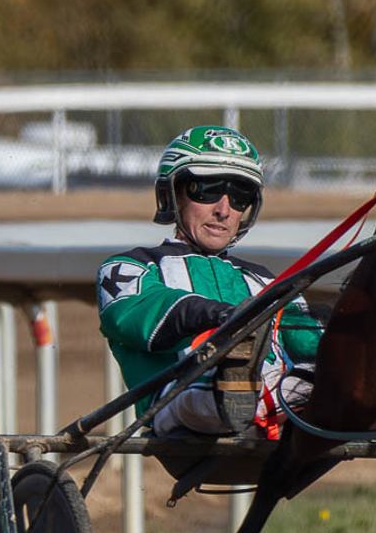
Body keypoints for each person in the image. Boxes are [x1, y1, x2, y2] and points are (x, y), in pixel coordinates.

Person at [97, 125, 319, 436]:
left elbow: (313, 344)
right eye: (208, 190)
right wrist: (223, 317)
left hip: (284, 401)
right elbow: (131, 317)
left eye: (240, 197)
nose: (224, 210)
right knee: (212, 378)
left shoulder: (265, 280)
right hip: (180, 402)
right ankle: (237, 382)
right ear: (172, 194)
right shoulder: (130, 267)